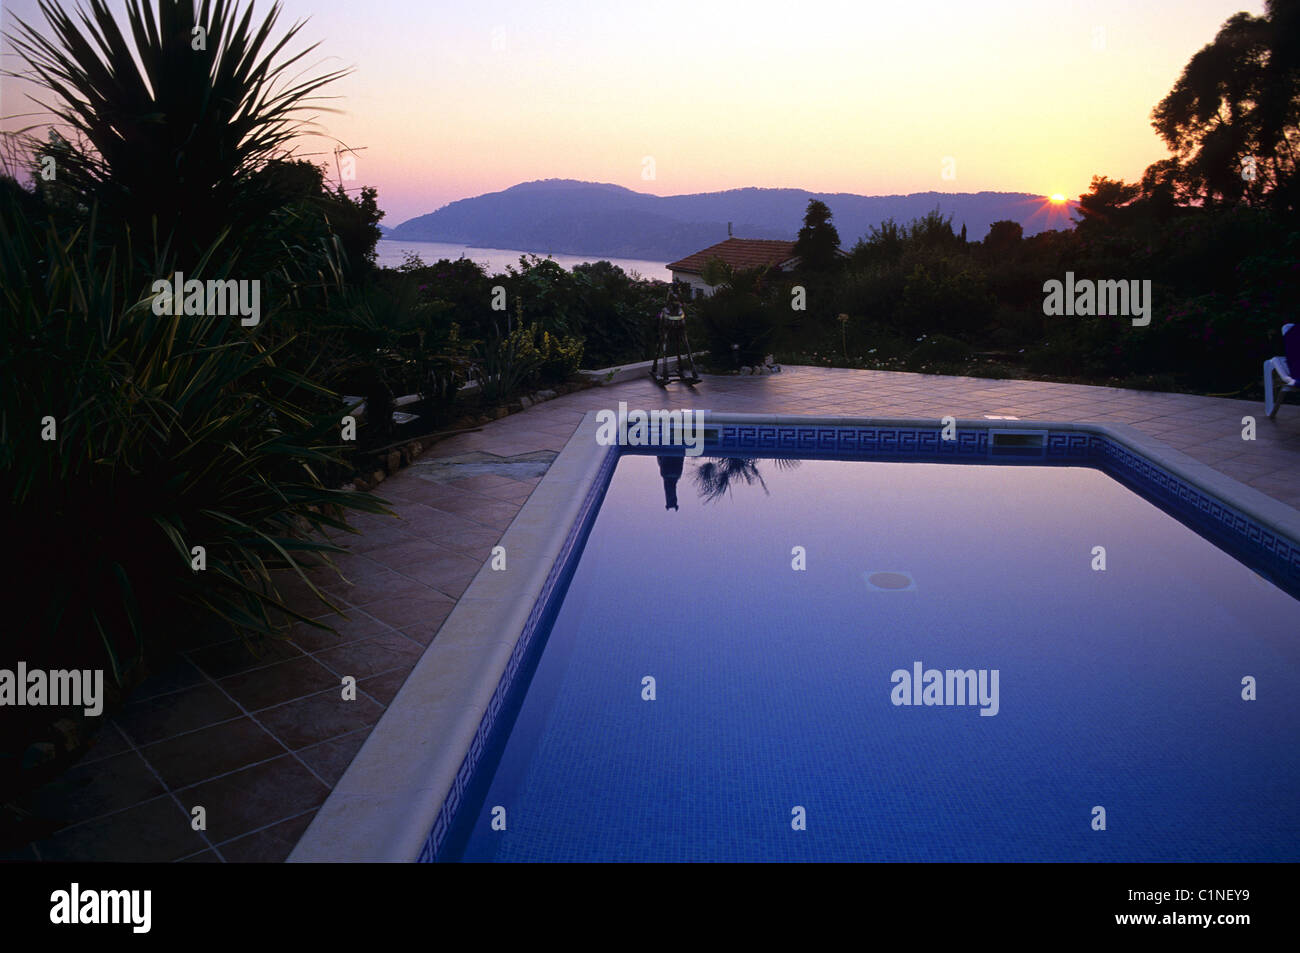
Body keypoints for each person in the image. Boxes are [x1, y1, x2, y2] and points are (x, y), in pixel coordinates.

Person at [651, 290, 700, 384]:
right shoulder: (666, 307)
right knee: (664, 345)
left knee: (686, 344)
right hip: (666, 326)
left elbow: (683, 324)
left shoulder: (680, 309)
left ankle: (693, 371)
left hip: (679, 325)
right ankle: (664, 372)